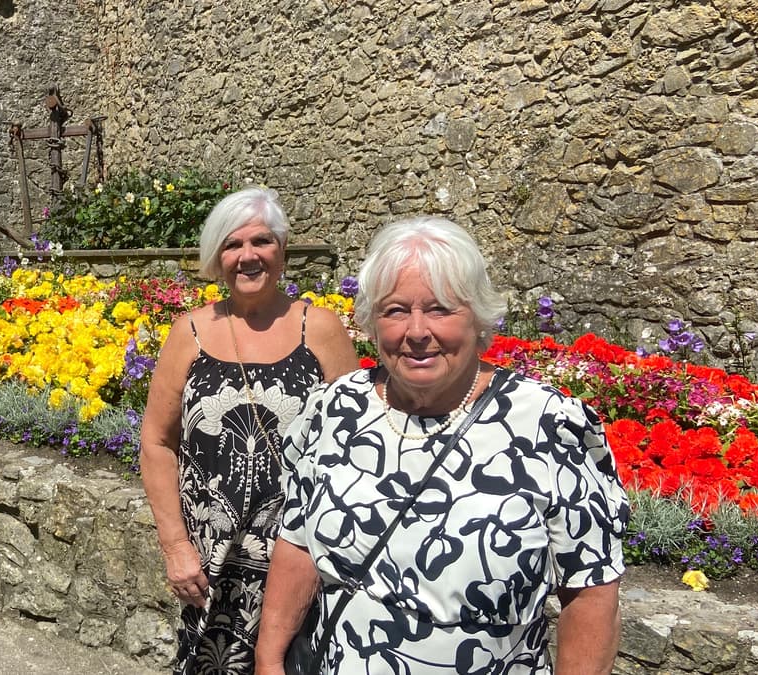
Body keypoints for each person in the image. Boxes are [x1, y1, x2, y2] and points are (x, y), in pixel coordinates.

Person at [254, 216, 630, 674]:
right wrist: (269, 658)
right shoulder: (334, 408)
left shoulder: (547, 424)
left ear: (478, 316)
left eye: (440, 309)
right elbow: (297, 543)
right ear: (373, 322)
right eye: (395, 310)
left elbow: (590, 593)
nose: (415, 331)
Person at [140, 186, 360, 673]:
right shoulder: (189, 332)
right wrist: (176, 547)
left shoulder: (320, 329)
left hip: (301, 561)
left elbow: (357, 445)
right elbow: (157, 443)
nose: (247, 256)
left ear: (282, 250)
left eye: (261, 241)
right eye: (232, 245)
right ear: (217, 258)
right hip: (211, 566)